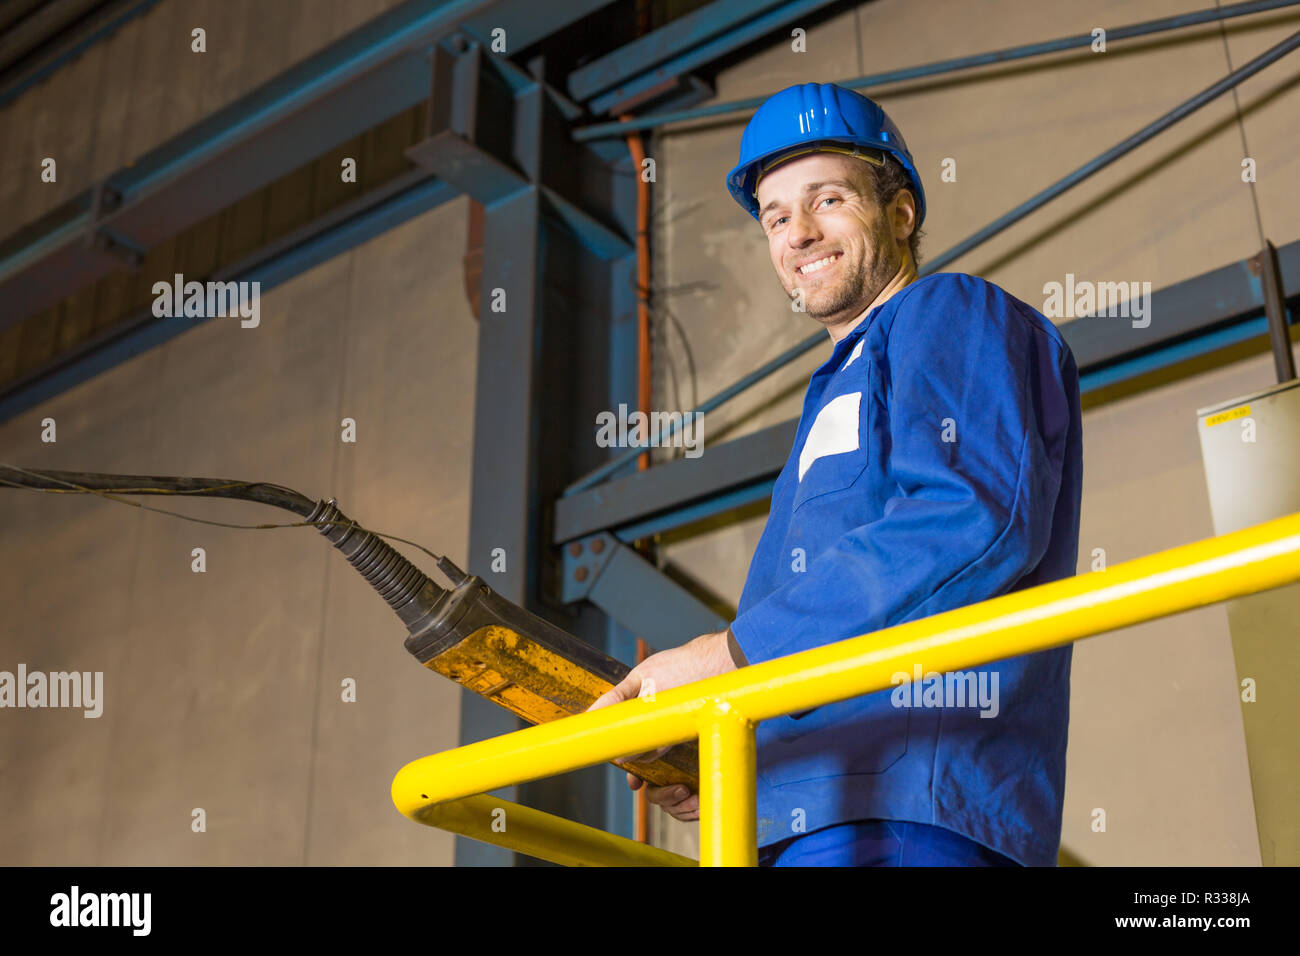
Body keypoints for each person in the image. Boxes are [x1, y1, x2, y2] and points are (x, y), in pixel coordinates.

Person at [588, 82, 1082, 867]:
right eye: (777, 216)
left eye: (827, 200)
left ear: (900, 213)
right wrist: (732, 759)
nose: (800, 233)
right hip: (805, 819)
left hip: (910, 811)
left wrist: (727, 659)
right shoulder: (834, 395)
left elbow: (970, 522)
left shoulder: (948, 313)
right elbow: (829, 626)